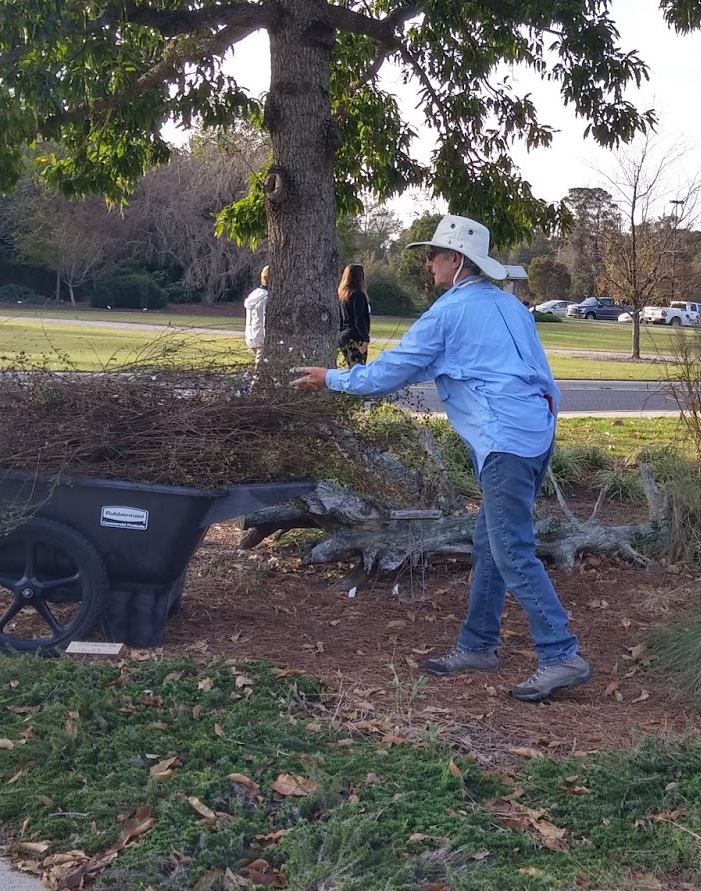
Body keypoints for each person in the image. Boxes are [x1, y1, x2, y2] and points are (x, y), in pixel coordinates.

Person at [291, 214, 591, 702]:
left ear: (457, 261)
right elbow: (542, 375)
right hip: (536, 435)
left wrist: (334, 378)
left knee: (511, 549)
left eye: (434, 255)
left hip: (506, 442)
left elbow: (391, 372)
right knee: (490, 545)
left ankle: (561, 654)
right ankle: (478, 645)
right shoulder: (512, 307)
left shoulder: (449, 314)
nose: (428, 264)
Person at [337, 263, 372, 367]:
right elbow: (359, 319)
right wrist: (365, 339)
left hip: (343, 335)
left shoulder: (342, 295)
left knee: (351, 367)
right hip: (355, 336)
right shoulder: (358, 294)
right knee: (358, 369)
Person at [244, 265, 270, 366]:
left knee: (261, 364)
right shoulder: (266, 297)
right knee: (260, 366)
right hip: (261, 337)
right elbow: (264, 318)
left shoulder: (255, 294)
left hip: (251, 335)